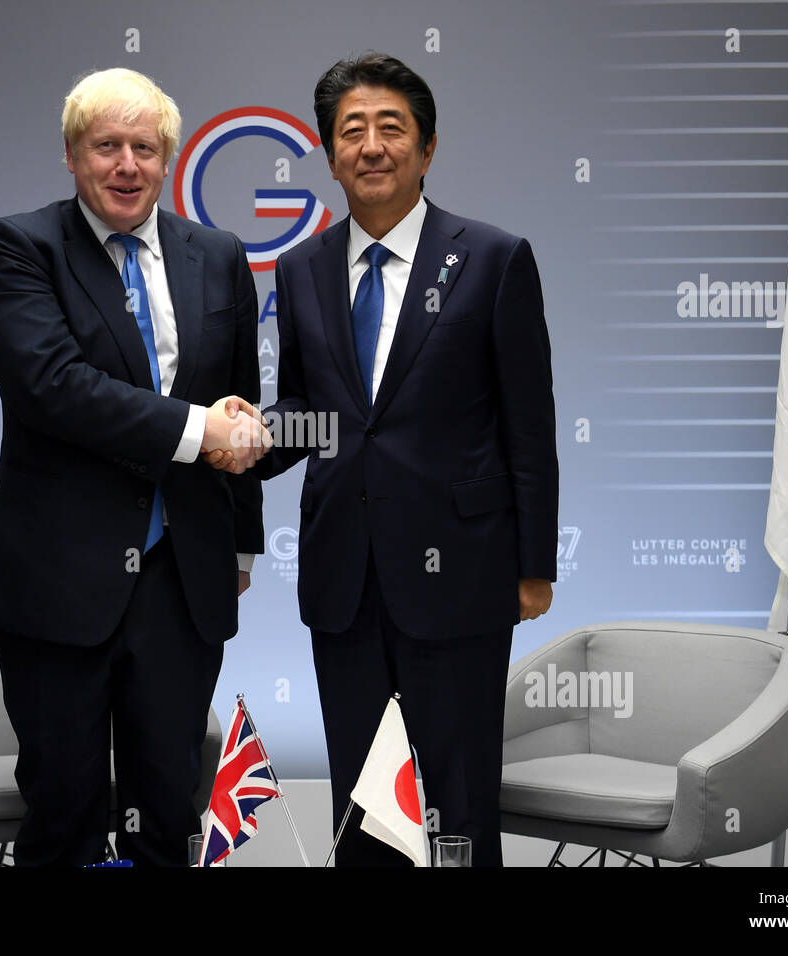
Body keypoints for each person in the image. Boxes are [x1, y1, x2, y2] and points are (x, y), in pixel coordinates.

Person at [209, 52, 558, 866]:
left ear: (428, 149)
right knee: (362, 811)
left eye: (390, 128)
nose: (371, 146)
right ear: (330, 157)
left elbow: (530, 425)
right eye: (351, 131)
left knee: (459, 806)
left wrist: (532, 565)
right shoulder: (299, 269)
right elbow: (318, 417)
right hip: (345, 580)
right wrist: (256, 438)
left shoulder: (494, 258)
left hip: (464, 577)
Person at [0, 67, 270, 866]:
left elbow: (237, 407)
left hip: (184, 582)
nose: (126, 164)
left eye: (144, 146)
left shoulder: (220, 255)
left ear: (168, 157)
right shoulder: (18, 246)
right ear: (72, 156)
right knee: (64, 818)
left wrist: (240, 545)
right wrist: (198, 427)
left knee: (169, 817)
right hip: (57, 582)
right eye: (107, 146)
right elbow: (54, 388)